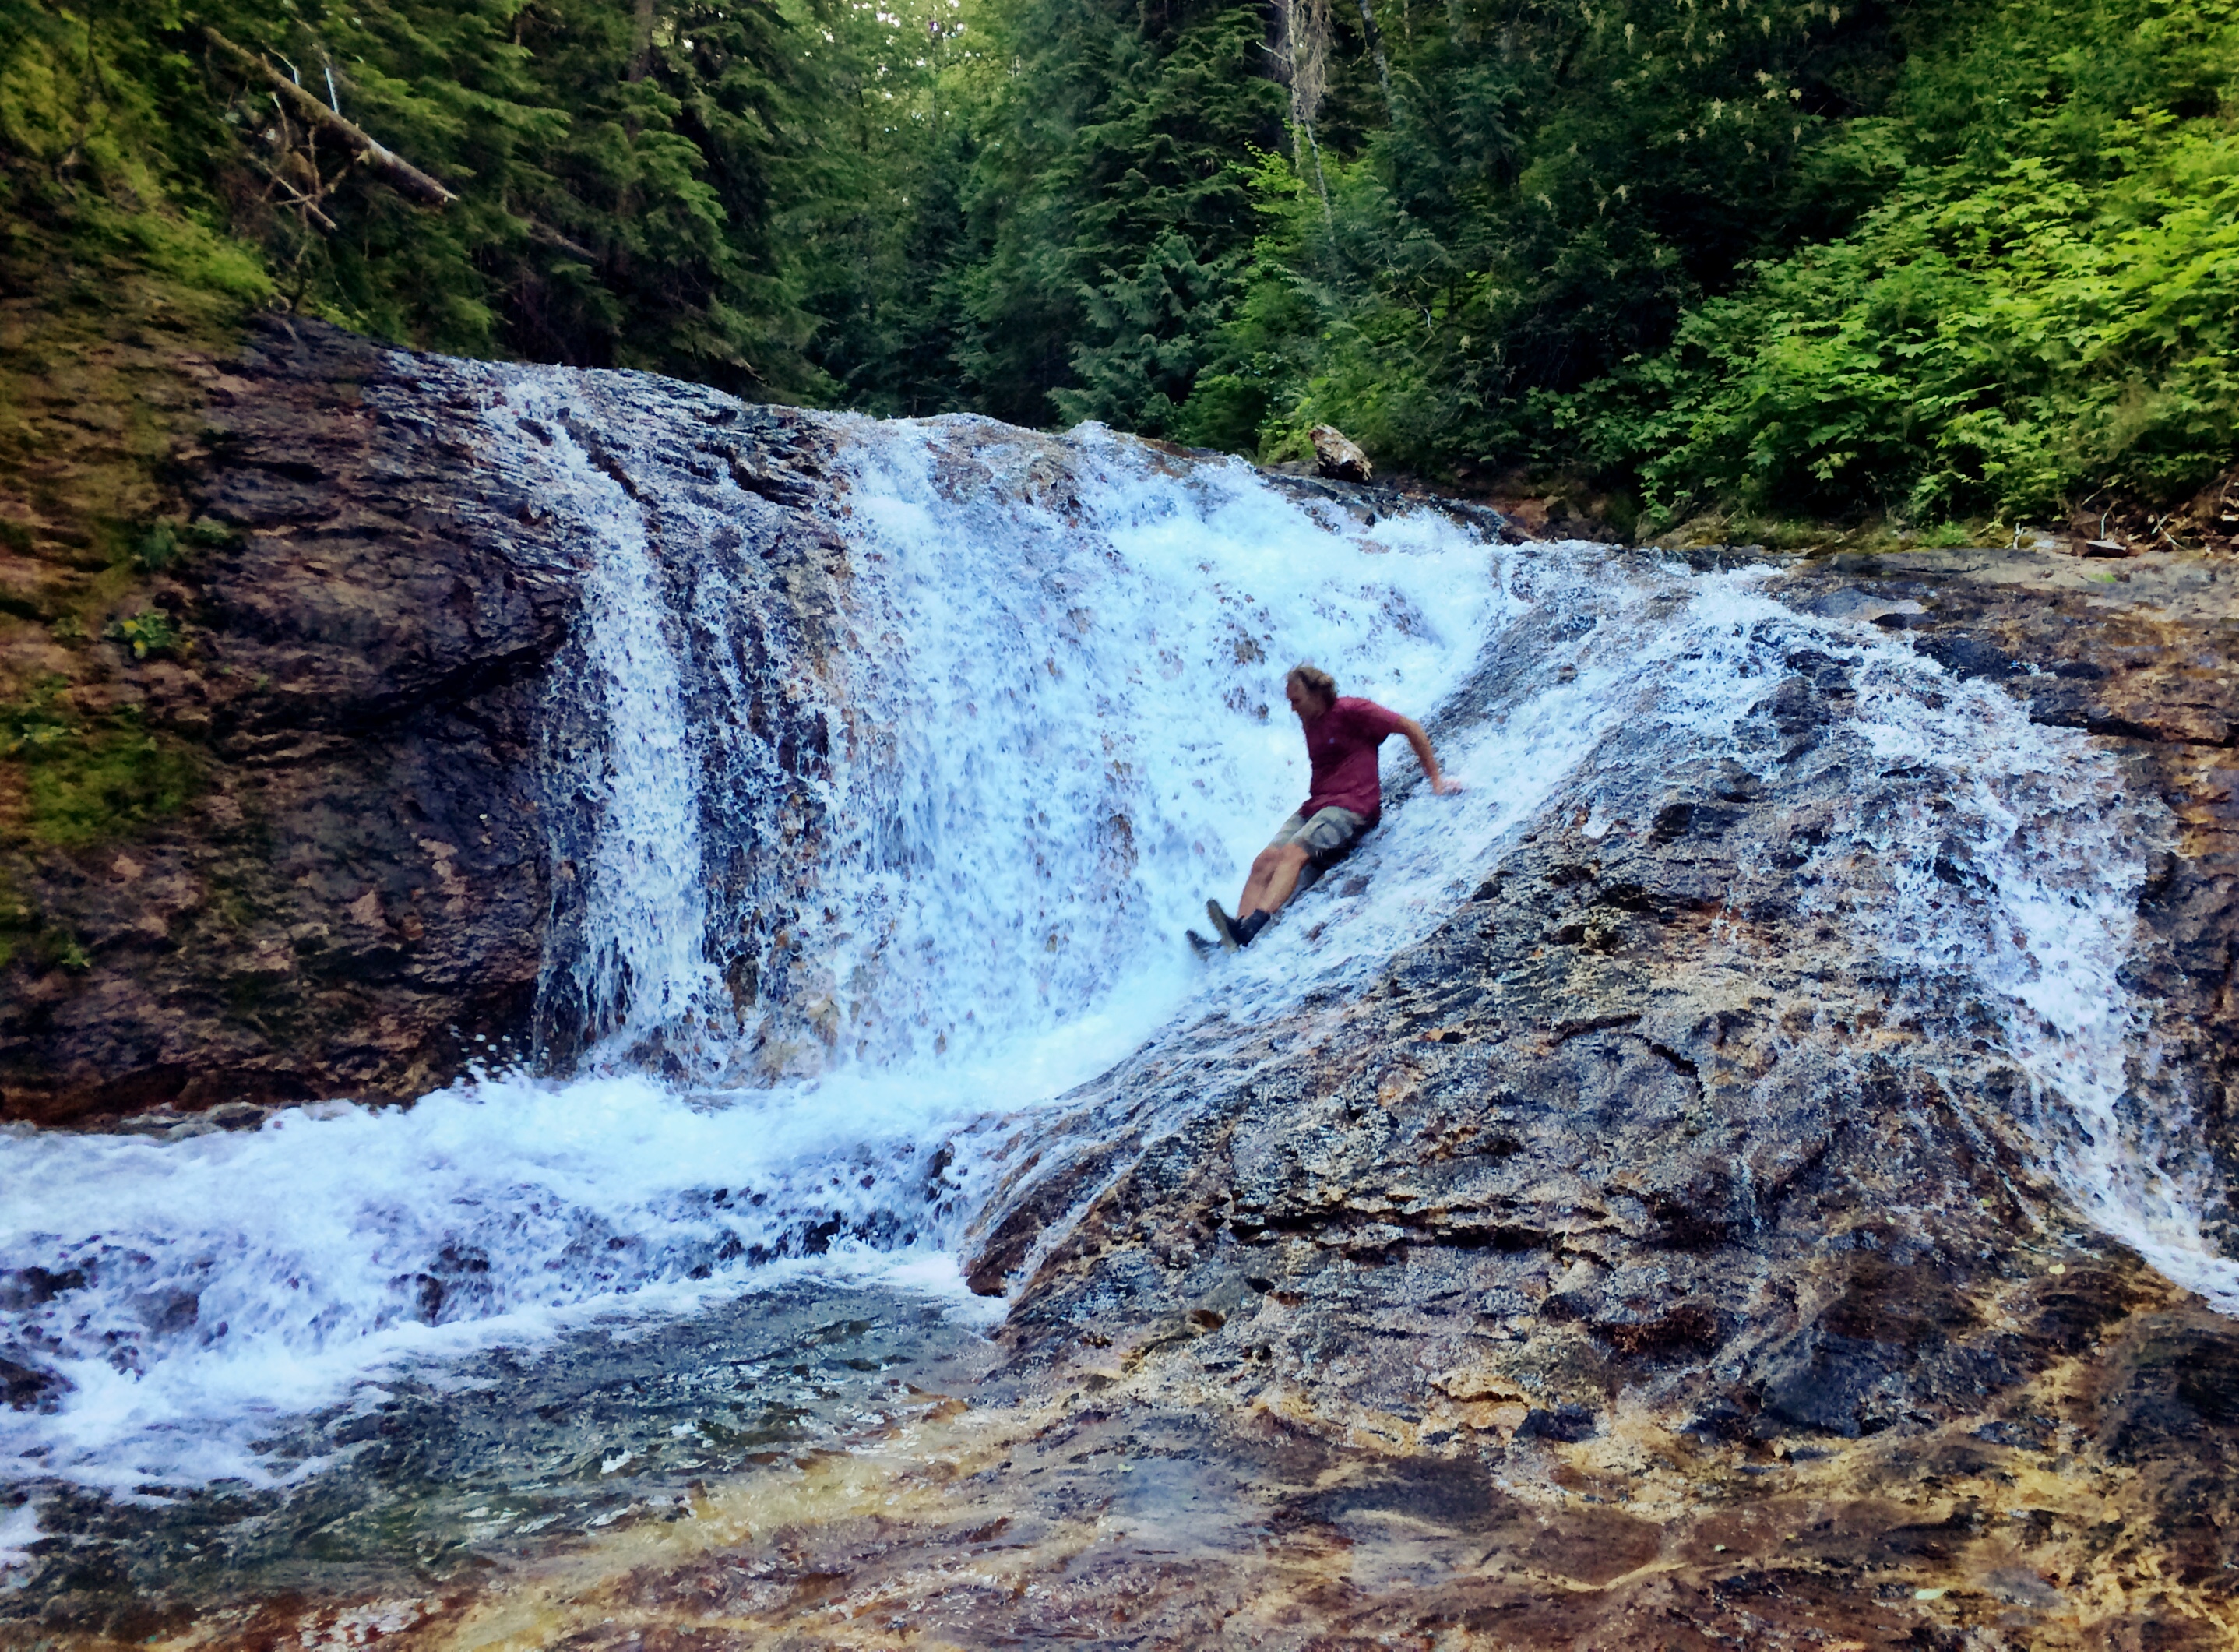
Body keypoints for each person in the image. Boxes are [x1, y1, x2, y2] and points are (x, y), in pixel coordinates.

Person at [1200, 664, 1459, 950]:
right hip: (1317, 804)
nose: (1292, 709)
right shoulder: (1310, 720)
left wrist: (1436, 779)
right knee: (1264, 861)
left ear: (1316, 693)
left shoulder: (1353, 711)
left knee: (1293, 853)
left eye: (1296, 700)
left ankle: (1252, 928)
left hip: (1354, 805)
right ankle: (1235, 934)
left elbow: (1411, 728)